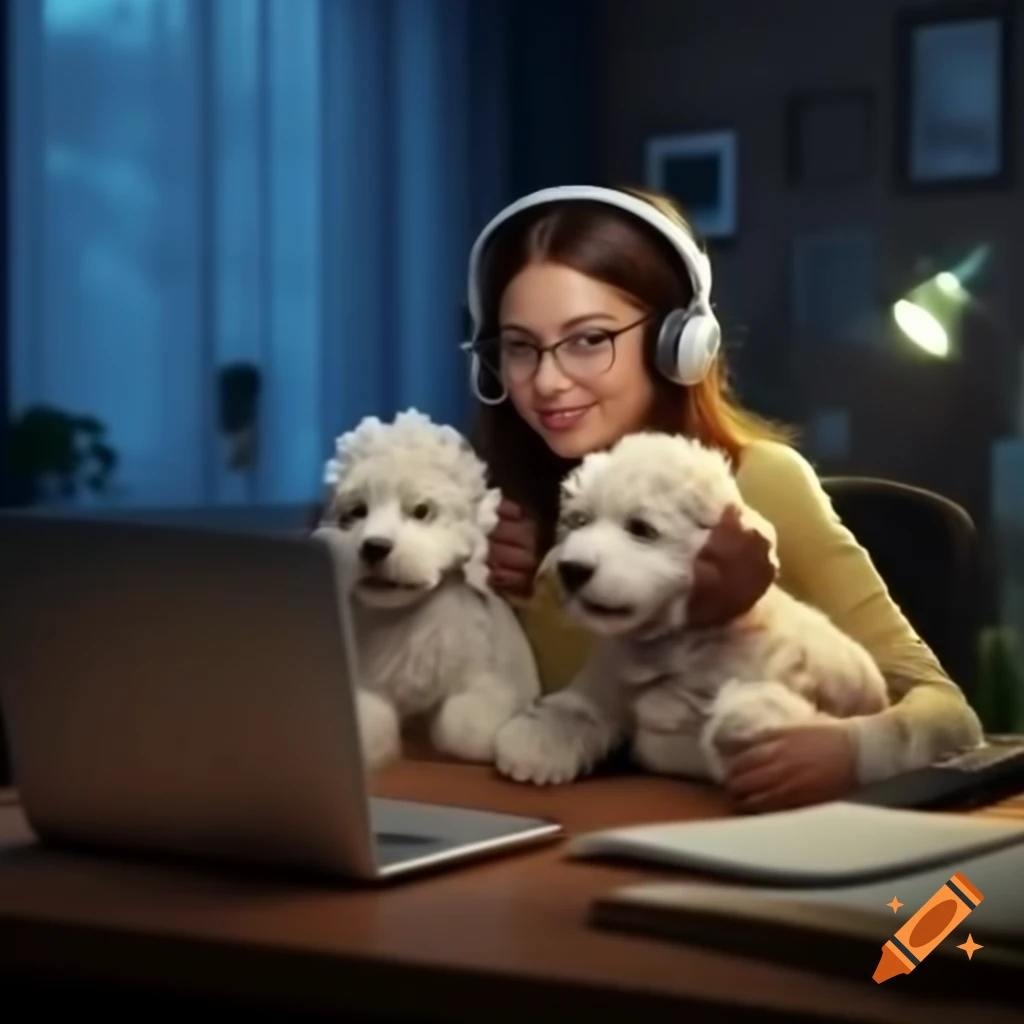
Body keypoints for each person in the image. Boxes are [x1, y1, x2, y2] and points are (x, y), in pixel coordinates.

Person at [464, 183, 983, 812]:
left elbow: (945, 710)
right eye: (520, 346)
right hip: (565, 843)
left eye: (588, 340)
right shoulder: (503, 507)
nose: (546, 381)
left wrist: (851, 752)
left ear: (680, 343)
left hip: (735, 849)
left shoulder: (760, 483)